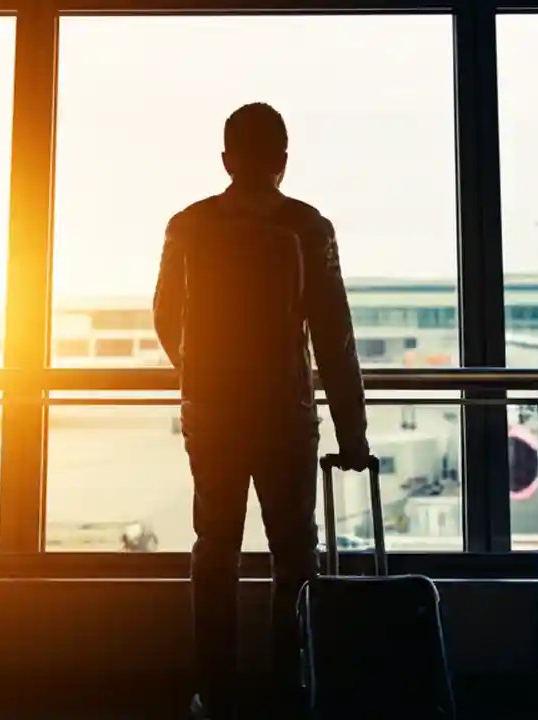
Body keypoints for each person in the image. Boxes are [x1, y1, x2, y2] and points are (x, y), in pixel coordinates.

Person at [153, 102, 371, 720]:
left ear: (226, 160)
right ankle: (290, 688)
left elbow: (167, 319)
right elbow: (335, 337)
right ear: (283, 160)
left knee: (214, 549)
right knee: (295, 553)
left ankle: (215, 691)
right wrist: (352, 433)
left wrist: (199, 378)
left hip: (213, 415)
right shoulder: (309, 228)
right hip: (286, 414)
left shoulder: (187, 226)